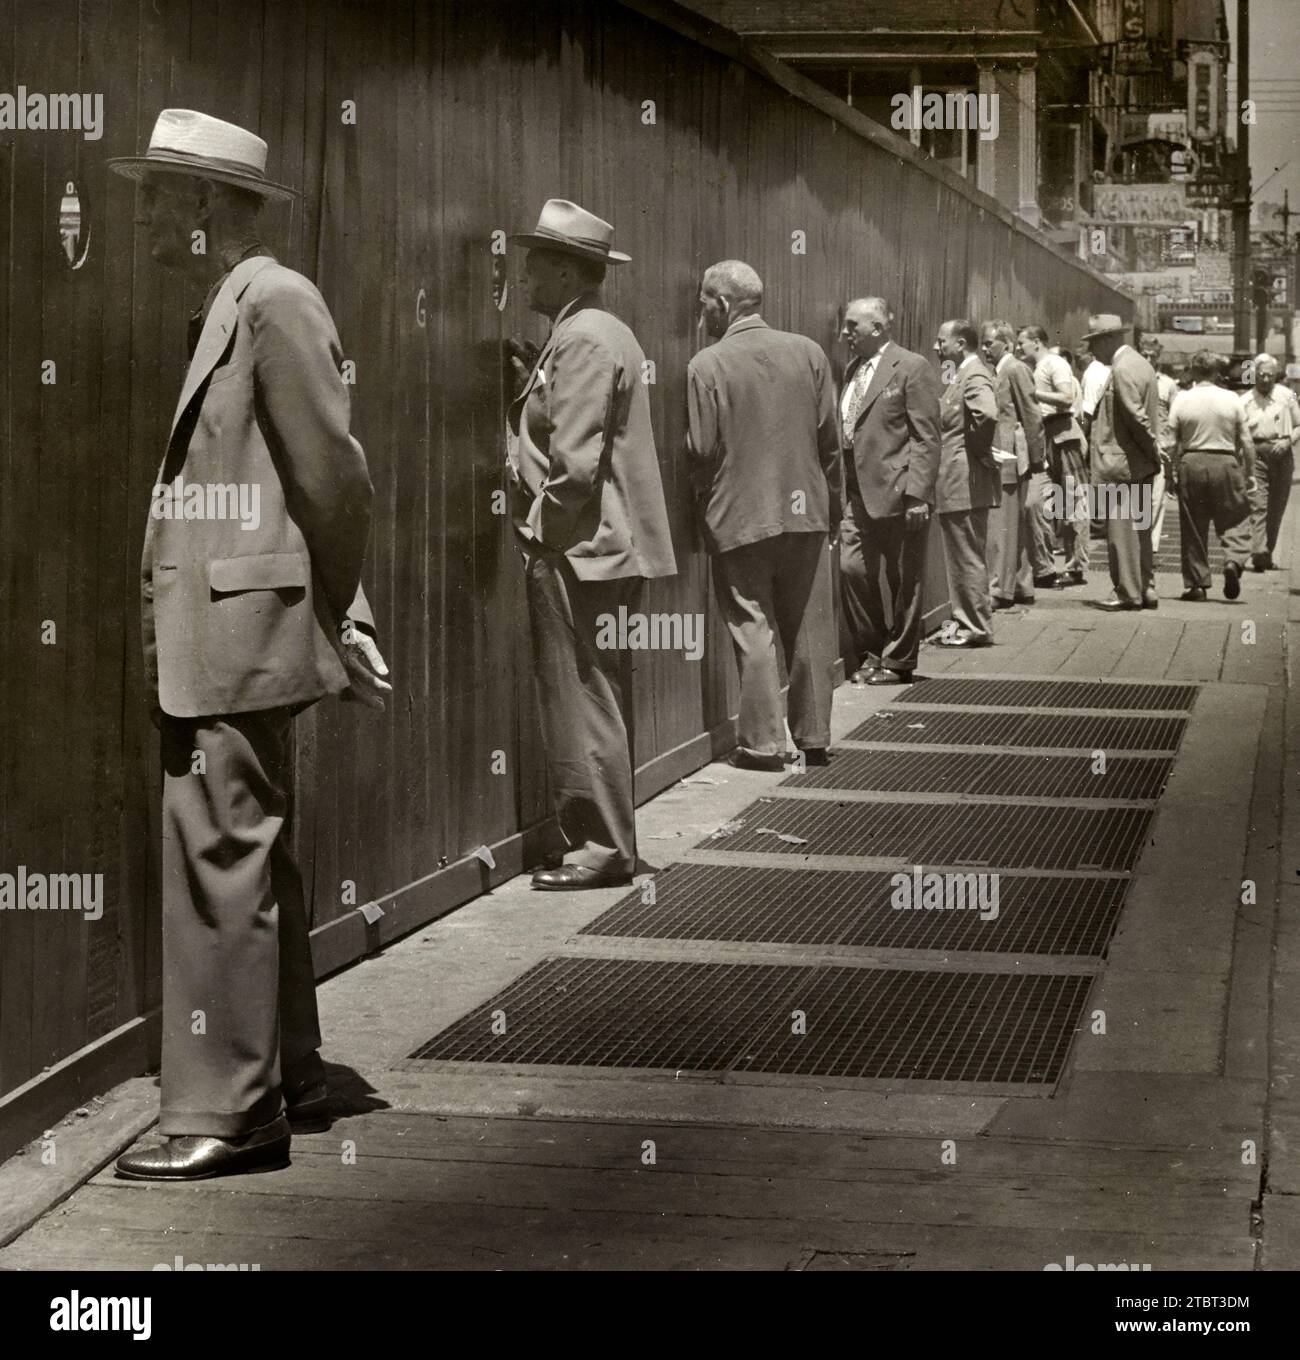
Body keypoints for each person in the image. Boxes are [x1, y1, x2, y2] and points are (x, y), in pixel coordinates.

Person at [108, 110, 390, 1180]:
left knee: (219, 858)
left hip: (240, 631)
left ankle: (229, 1112)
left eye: (156, 194)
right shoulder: (232, 301)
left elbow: (335, 476)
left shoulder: (273, 299)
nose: (143, 216)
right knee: (253, 852)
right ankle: (292, 1073)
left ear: (205, 203)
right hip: (230, 626)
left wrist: (343, 609)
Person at [506, 200, 676, 890]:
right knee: (599, 690)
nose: (524, 278)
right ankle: (607, 838)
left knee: (585, 695)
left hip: (581, 548)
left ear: (568, 271)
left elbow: (574, 463)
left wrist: (537, 533)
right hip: (607, 546)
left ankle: (601, 847)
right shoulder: (600, 331)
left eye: (535, 266)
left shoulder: (580, 340)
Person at [687, 261, 839, 768]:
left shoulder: (707, 364)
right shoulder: (809, 352)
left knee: (753, 626)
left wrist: (700, 512)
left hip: (739, 517)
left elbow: (700, 449)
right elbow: (829, 440)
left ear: (723, 304)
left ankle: (763, 745)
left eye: (704, 304)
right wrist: (830, 508)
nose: (701, 315)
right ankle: (814, 736)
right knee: (808, 627)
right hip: (806, 512)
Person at [837, 297, 942, 686]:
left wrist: (918, 495)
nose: (844, 333)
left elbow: (926, 437)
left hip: (899, 493)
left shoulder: (912, 367)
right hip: (857, 494)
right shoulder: (853, 369)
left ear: (877, 328)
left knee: (904, 579)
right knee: (851, 569)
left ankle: (898, 661)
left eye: (852, 326)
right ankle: (871, 650)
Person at [1084, 315, 1160, 612]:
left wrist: (1151, 450)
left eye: (1094, 343)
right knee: (1140, 530)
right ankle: (1145, 587)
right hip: (1137, 464)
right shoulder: (1140, 364)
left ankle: (1128, 592)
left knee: (1121, 532)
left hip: (1122, 464)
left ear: (1108, 339)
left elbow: (1135, 417)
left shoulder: (1122, 368)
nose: (1091, 351)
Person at [932, 319, 999, 647]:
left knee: (966, 555)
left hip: (964, 480)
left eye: (942, 341)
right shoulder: (964, 374)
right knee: (963, 554)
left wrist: (979, 451)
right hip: (960, 480)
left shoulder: (973, 375)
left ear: (960, 344)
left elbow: (986, 414)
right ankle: (969, 623)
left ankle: (974, 627)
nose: (936, 347)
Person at [1169, 351, 1254, 600]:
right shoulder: (1232, 399)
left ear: (1193, 371)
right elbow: (1247, 442)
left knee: (1193, 525)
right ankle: (1234, 560)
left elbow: (1171, 442)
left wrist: (1170, 473)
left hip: (1192, 462)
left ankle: (1197, 584)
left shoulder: (1182, 399)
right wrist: (1249, 474)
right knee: (1236, 517)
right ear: (1217, 372)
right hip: (1226, 461)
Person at [983, 320, 1048, 609]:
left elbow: (1032, 415)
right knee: (1014, 526)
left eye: (989, 343)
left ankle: (1000, 590)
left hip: (1009, 458)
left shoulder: (1014, 369)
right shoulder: (999, 370)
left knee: (1003, 527)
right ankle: (1022, 585)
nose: (984, 349)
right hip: (1006, 457)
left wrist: (1037, 459)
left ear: (1007, 344)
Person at [1021, 327, 1088, 587]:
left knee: (1073, 501)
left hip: (1062, 434)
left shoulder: (1054, 363)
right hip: (1044, 436)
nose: (1019, 348)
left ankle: (1075, 567)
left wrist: (1032, 393)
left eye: (1022, 343)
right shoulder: (1035, 368)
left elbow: (1066, 398)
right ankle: (1045, 568)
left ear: (1037, 342)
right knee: (1037, 502)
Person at [1221, 354, 1299, 572]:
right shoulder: (1245, 400)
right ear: (1254, 375)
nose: (1265, 379)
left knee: (1277, 506)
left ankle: (1267, 553)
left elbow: (1298, 424)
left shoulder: (1287, 396)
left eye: (1269, 375)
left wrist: (1288, 441)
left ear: (1276, 375)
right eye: (1261, 375)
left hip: (1282, 454)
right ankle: (1259, 551)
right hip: (1256, 455)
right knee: (1258, 504)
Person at [1137, 331, 1176, 568]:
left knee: (1156, 499)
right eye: (1144, 354)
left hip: (1160, 448)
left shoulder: (1168, 385)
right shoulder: (1133, 379)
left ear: (1158, 356)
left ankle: (1149, 549)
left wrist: (1172, 449)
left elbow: (1174, 417)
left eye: (1152, 355)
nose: (1148, 359)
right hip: (1137, 447)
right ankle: (1139, 546)